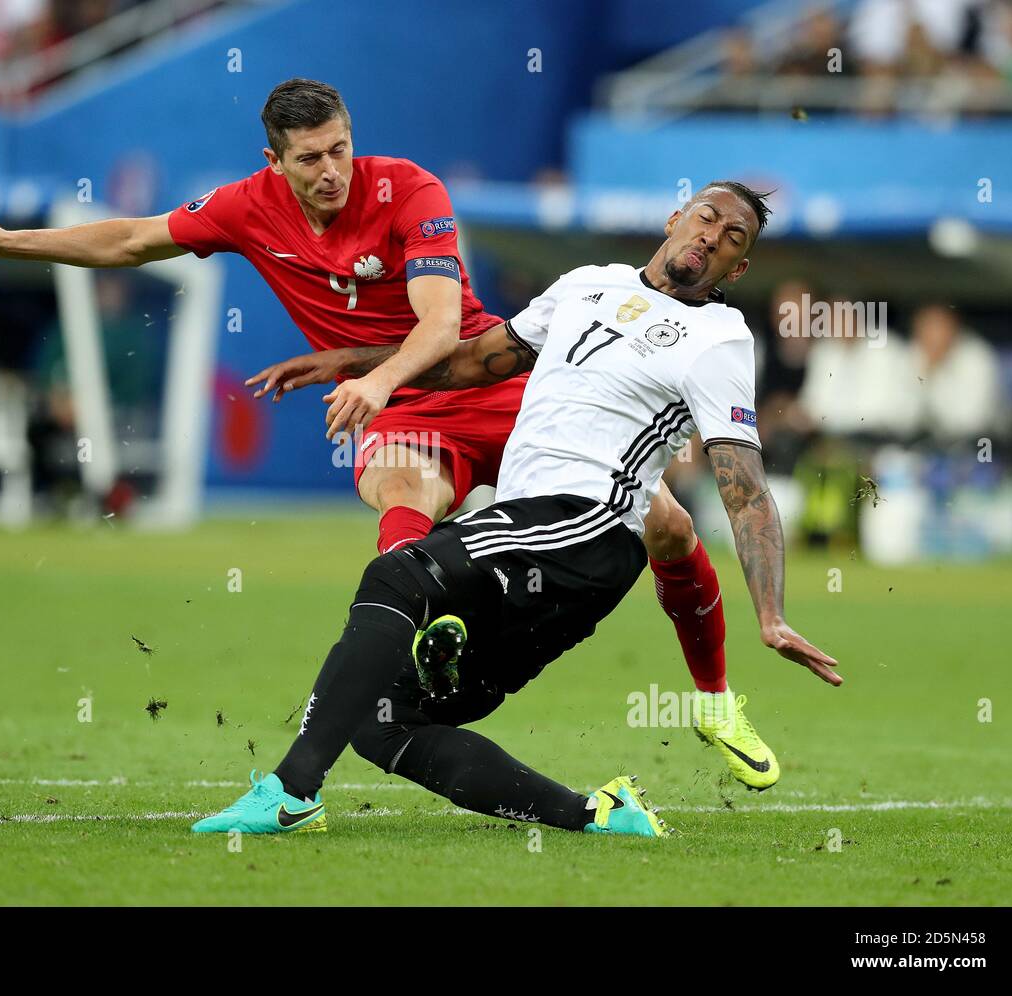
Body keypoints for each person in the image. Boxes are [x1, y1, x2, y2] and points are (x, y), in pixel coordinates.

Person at [0, 78, 751, 786]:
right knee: (403, 490)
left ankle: (715, 702)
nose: (331, 171)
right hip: (398, 406)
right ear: (275, 163)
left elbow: (442, 328)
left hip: (488, 383)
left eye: (340, 150)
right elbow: (129, 238)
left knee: (666, 528)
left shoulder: (408, 190)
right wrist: (7, 241)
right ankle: (412, 640)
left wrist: (372, 377)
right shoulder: (243, 209)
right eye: (309, 159)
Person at [192, 183, 842, 837]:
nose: (712, 234)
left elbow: (745, 485)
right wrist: (358, 365)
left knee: (397, 576)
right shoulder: (588, 284)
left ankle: (291, 794)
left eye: (734, 237)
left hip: (588, 526)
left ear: (739, 268)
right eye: (706, 216)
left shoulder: (719, 339)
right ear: (676, 217)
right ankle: (598, 816)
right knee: (383, 721)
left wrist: (771, 613)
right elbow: (474, 360)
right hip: (536, 531)